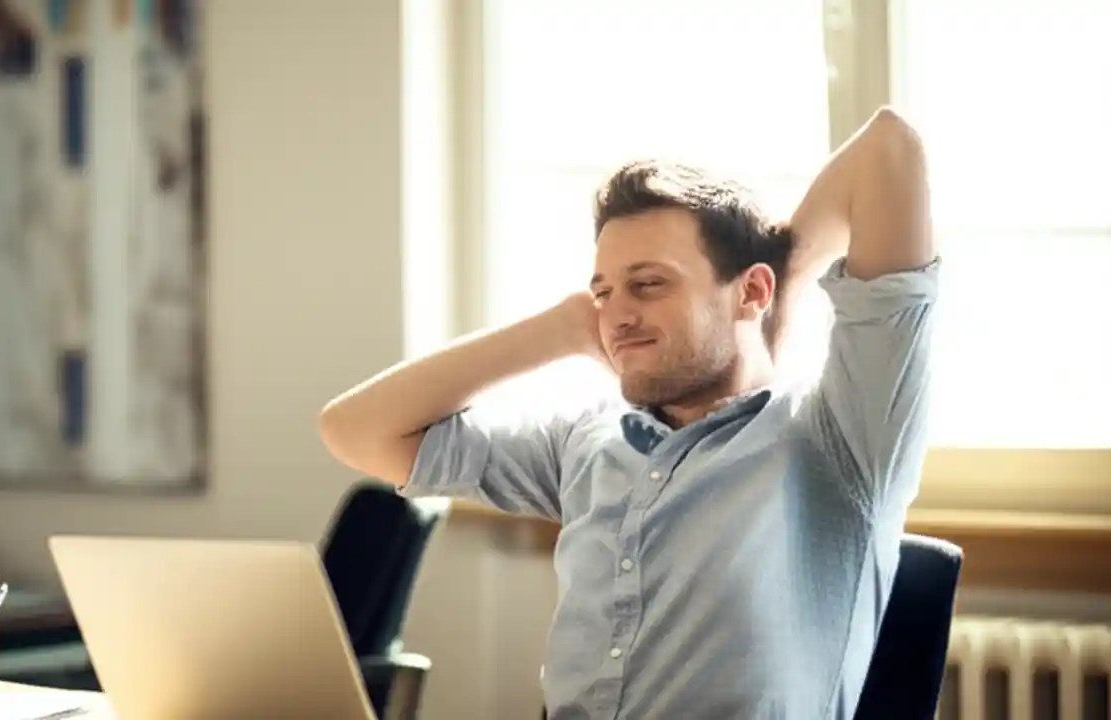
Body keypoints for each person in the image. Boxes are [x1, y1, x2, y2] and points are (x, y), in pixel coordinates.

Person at [319, 106, 936, 719]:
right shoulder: (587, 442)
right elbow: (354, 430)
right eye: (602, 292)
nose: (615, 315)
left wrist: (784, 280)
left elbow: (889, 148)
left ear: (750, 290)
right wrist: (556, 330)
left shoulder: (838, 436)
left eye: (648, 285)